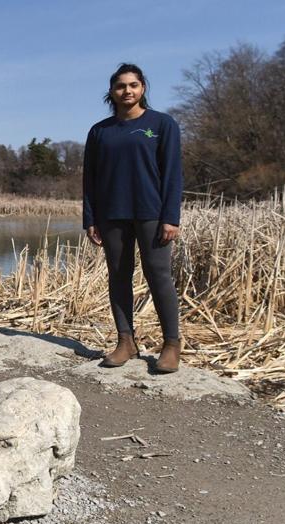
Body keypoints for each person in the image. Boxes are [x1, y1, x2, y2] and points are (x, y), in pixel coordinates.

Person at [83, 63, 184, 373]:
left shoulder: (162, 124)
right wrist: (90, 218)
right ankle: (125, 341)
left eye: (133, 85)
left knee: (159, 276)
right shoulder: (100, 131)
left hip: (151, 213)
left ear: (142, 89)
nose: (127, 91)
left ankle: (171, 345)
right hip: (111, 214)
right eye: (120, 86)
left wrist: (171, 217)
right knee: (118, 276)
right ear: (111, 92)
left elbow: (172, 174)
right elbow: (90, 179)